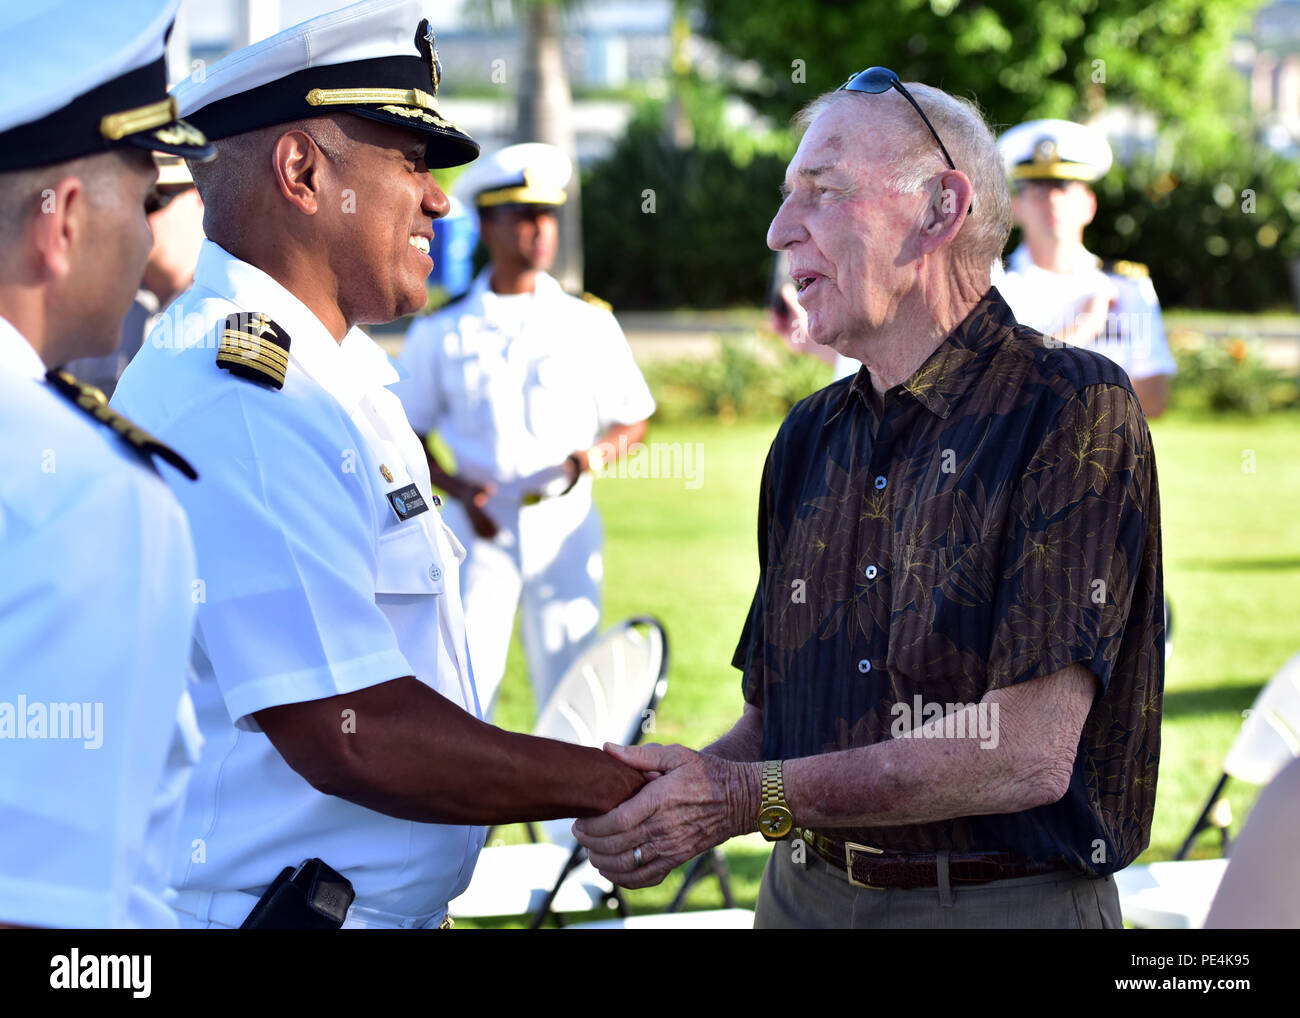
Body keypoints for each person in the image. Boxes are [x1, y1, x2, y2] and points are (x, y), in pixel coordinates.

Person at [574, 69, 1165, 929]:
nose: (780, 231)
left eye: (821, 193)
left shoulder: (1072, 408)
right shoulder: (808, 437)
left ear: (940, 210)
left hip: (993, 905)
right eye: (786, 199)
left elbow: (1024, 751)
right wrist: (680, 794)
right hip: (800, 890)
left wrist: (742, 798)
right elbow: (779, 724)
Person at [111, 0, 643, 931]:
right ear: (302, 171)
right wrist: (613, 782)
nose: (440, 198)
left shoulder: (334, 370)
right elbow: (351, 732)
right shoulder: (242, 397)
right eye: (410, 163)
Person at [0, 0, 216, 928]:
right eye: (147, 196)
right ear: (65, 222)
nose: (147, 237)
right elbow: (55, 925)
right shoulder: (85, 496)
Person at [395, 142, 655, 718]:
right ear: (487, 225)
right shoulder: (444, 328)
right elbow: (405, 430)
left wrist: (586, 461)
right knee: (464, 689)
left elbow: (633, 418)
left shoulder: (587, 320)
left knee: (574, 698)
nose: (541, 229)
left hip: (565, 525)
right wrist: (459, 490)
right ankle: (466, 811)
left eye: (548, 215)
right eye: (523, 216)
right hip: (477, 529)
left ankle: (567, 814)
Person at [997, 119, 1176, 418]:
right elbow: (994, 393)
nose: (1052, 200)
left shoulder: (1127, 286)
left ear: (1089, 205)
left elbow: (1155, 400)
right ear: (1016, 207)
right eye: (1038, 189)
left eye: (1064, 188)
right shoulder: (992, 285)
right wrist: (1082, 330)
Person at [63, 153, 205, 398]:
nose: (137, 215)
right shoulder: (94, 307)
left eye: (153, 200)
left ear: (200, 198)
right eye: (130, 200)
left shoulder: (232, 308)